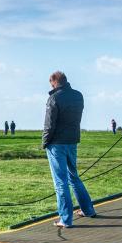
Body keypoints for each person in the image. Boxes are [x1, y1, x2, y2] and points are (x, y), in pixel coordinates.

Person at [42, 71, 95, 228]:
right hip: (72, 141)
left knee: (60, 182)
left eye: (51, 84)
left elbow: (49, 124)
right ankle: (88, 209)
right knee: (74, 177)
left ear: (54, 82)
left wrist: (45, 142)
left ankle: (65, 219)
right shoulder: (78, 96)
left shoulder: (54, 98)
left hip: (56, 143)